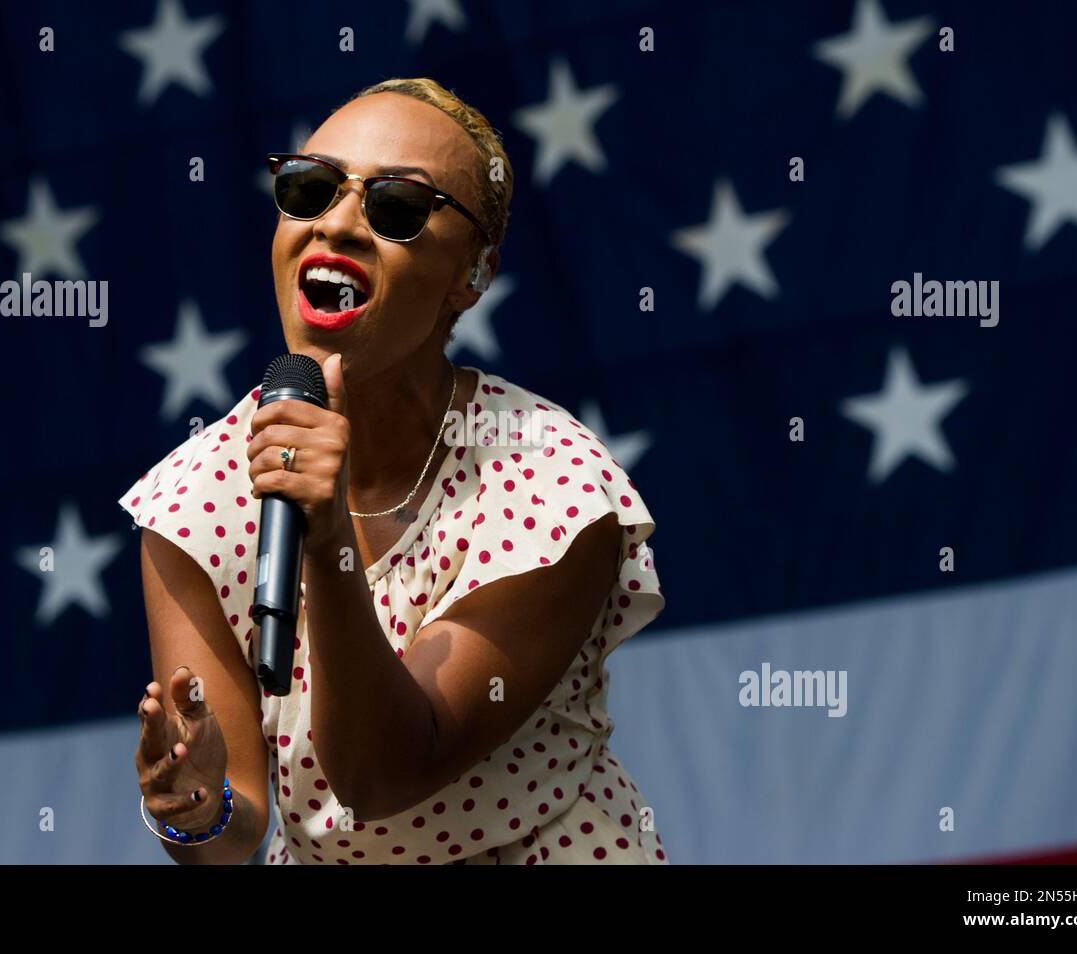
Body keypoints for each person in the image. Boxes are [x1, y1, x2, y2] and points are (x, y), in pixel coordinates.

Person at [121, 77, 667, 864]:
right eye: (309, 188)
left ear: (471, 276)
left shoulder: (553, 480)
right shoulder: (194, 498)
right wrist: (194, 806)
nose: (336, 223)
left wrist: (326, 541)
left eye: (397, 207)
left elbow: (382, 774)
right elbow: (226, 837)